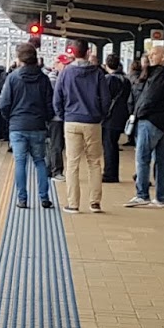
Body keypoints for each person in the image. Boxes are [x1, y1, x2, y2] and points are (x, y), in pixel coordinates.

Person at [0, 42, 55, 210]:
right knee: (40, 162)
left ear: (19, 58)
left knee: (20, 163)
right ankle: (44, 198)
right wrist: (45, 119)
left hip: (18, 126)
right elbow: (50, 104)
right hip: (38, 126)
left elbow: (4, 103)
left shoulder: (13, 77)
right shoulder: (43, 78)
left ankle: (22, 199)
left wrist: (11, 119)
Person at [52, 38, 107, 213]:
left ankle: (73, 204)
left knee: (72, 164)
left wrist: (64, 115)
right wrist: (100, 116)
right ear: (88, 52)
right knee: (95, 162)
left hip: (71, 121)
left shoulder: (66, 72)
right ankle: (95, 203)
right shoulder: (97, 73)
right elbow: (105, 99)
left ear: (73, 53)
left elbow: (57, 98)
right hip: (92, 122)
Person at [125, 46, 164, 209]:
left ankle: (142, 194)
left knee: (142, 158)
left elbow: (149, 97)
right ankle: (161, 197)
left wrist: (138, 113)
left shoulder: (158, 75)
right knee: (161, 161)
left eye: (155, 54)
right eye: (150, 54)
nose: (151, 56)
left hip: (150, 121)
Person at [99, 54, 131, 184]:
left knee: (108, 145)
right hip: (121, 115)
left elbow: (105, 99)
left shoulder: (108, 80)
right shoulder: (126, 79)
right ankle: (113, 172)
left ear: (106, 65)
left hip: (110, 117)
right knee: (113, 144)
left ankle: (109, 173)